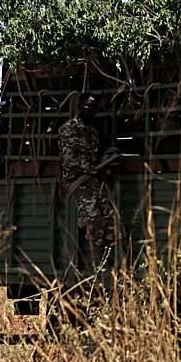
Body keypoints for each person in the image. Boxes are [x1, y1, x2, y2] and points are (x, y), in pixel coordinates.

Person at [58, 93, 120, 249]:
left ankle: (111, 250)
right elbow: (70, 159)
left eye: (93, 106)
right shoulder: (68, 129)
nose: (90, 109)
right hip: (76, 180)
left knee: (111, 214)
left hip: (93, 179)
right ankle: (98, 253)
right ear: (79, 107)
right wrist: (93, 170)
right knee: (93, 217)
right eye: (87, 105)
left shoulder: (93, 134)